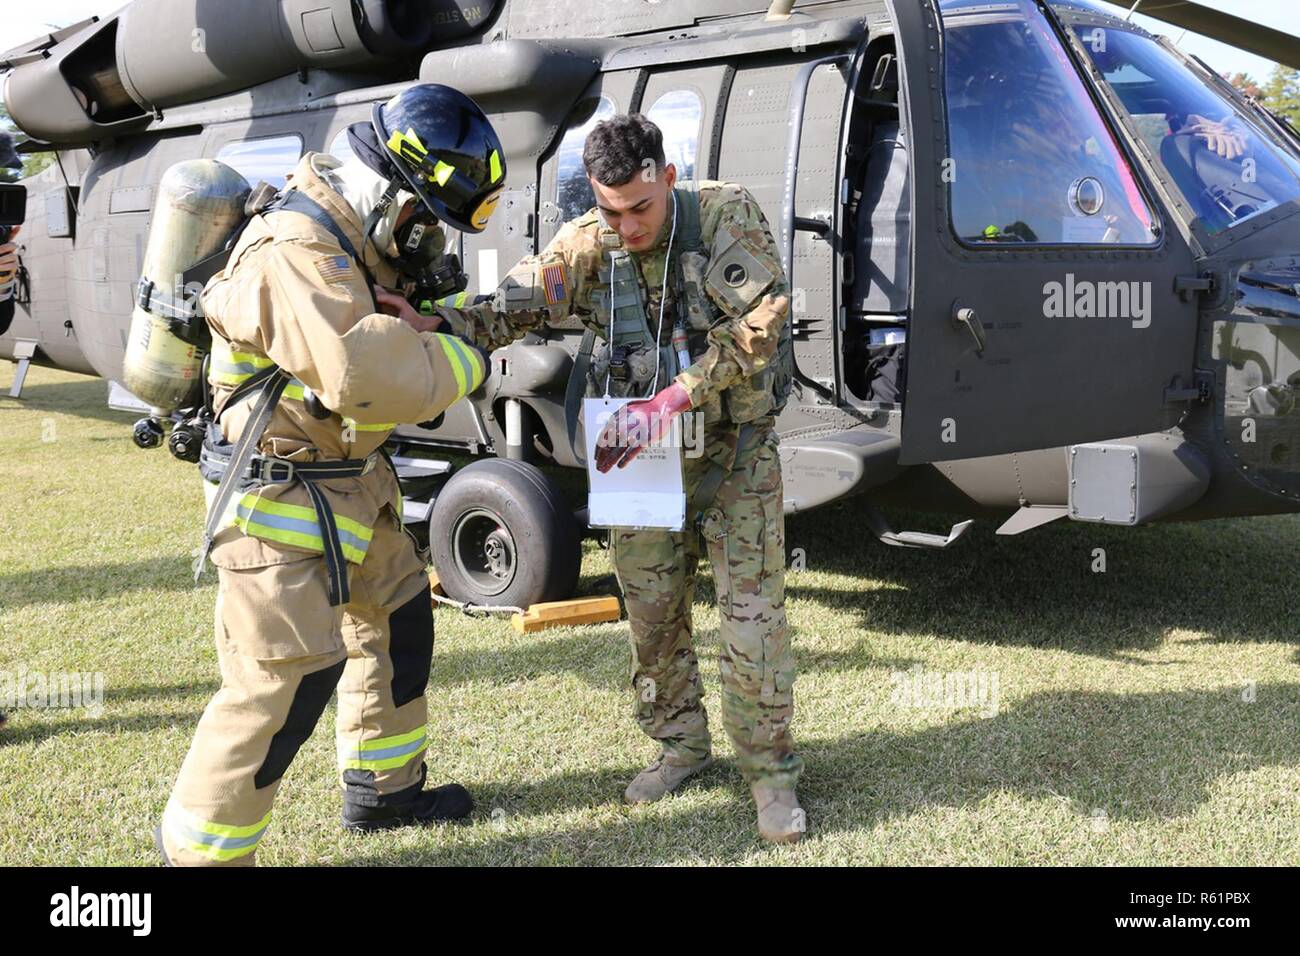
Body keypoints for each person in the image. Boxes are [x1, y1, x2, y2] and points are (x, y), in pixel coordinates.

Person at [431, 113, 805, 843]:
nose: (627, 225)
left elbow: (763, 324)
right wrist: (427, 326)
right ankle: (680, 747)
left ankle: (770, 775)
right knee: (651, 613)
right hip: (635, 448)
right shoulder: (589, 240)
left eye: (641, 206)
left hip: (733, 449)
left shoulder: (724, 213)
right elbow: (515, 304)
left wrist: (673, 398)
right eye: (611, 209)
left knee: (752, 620)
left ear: (667, 178)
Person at [157, 84, 505, 866]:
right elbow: (363, 372)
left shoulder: (348, 242)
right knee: (281, 682)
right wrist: (465, 356)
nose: (430, 248)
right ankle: (201, 854)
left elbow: (386, 326)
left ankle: (385, 791)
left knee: (399, 618)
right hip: (278, 501)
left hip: (350, 483)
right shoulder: (293, 252)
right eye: (425, 225)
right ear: (390, 196)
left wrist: (416, 320)